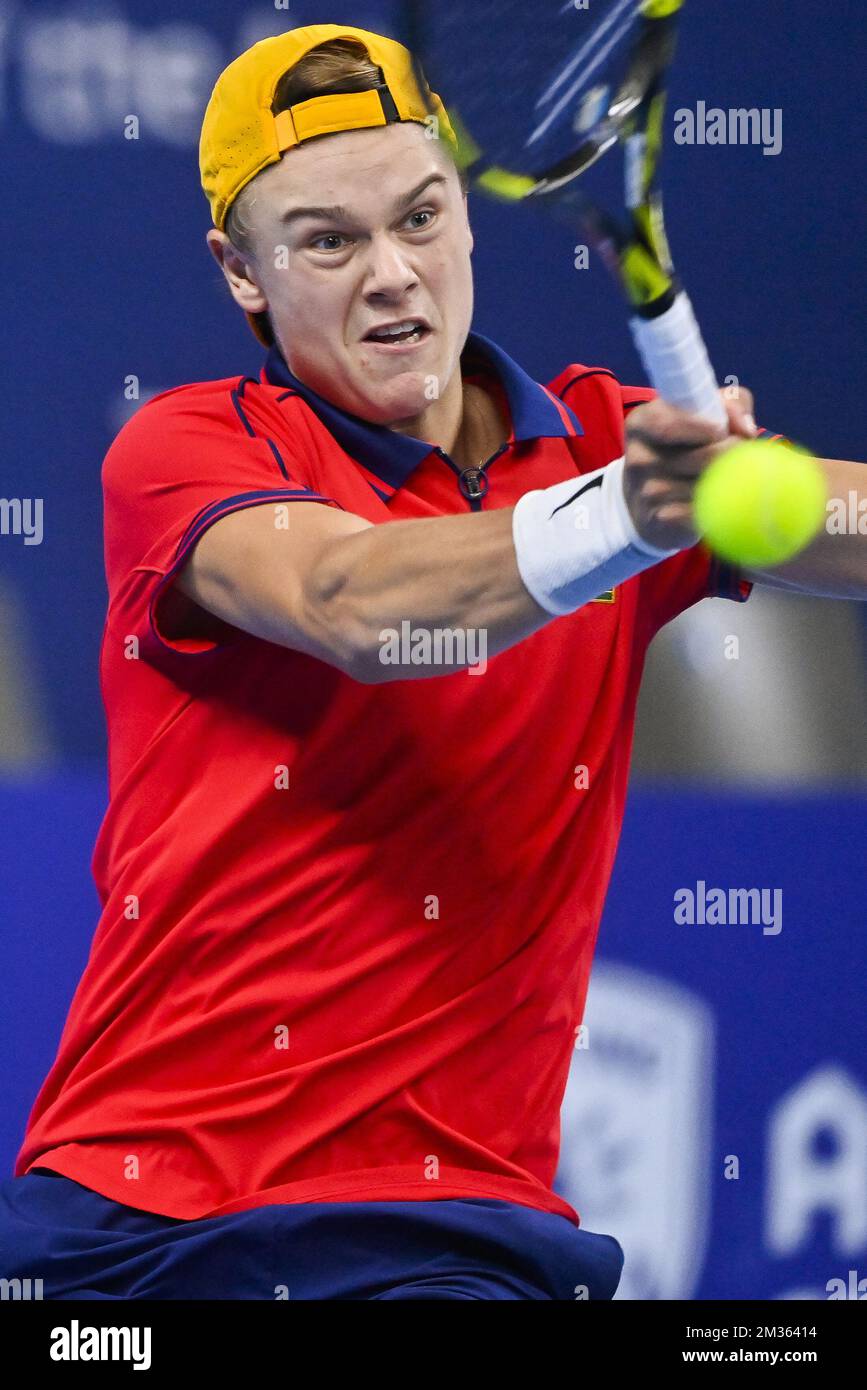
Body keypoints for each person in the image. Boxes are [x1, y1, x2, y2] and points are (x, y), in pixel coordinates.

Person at [3, 24, 864, 1302]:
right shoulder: (190, 449)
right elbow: (352, 605)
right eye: (329, 242)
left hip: (441, 1240)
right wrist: (629, 515)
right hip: (123, 1231)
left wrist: (763, 494)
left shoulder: (601, 443)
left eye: (421, 216)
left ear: (467, 211)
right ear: (241, 271)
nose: (395, 275)